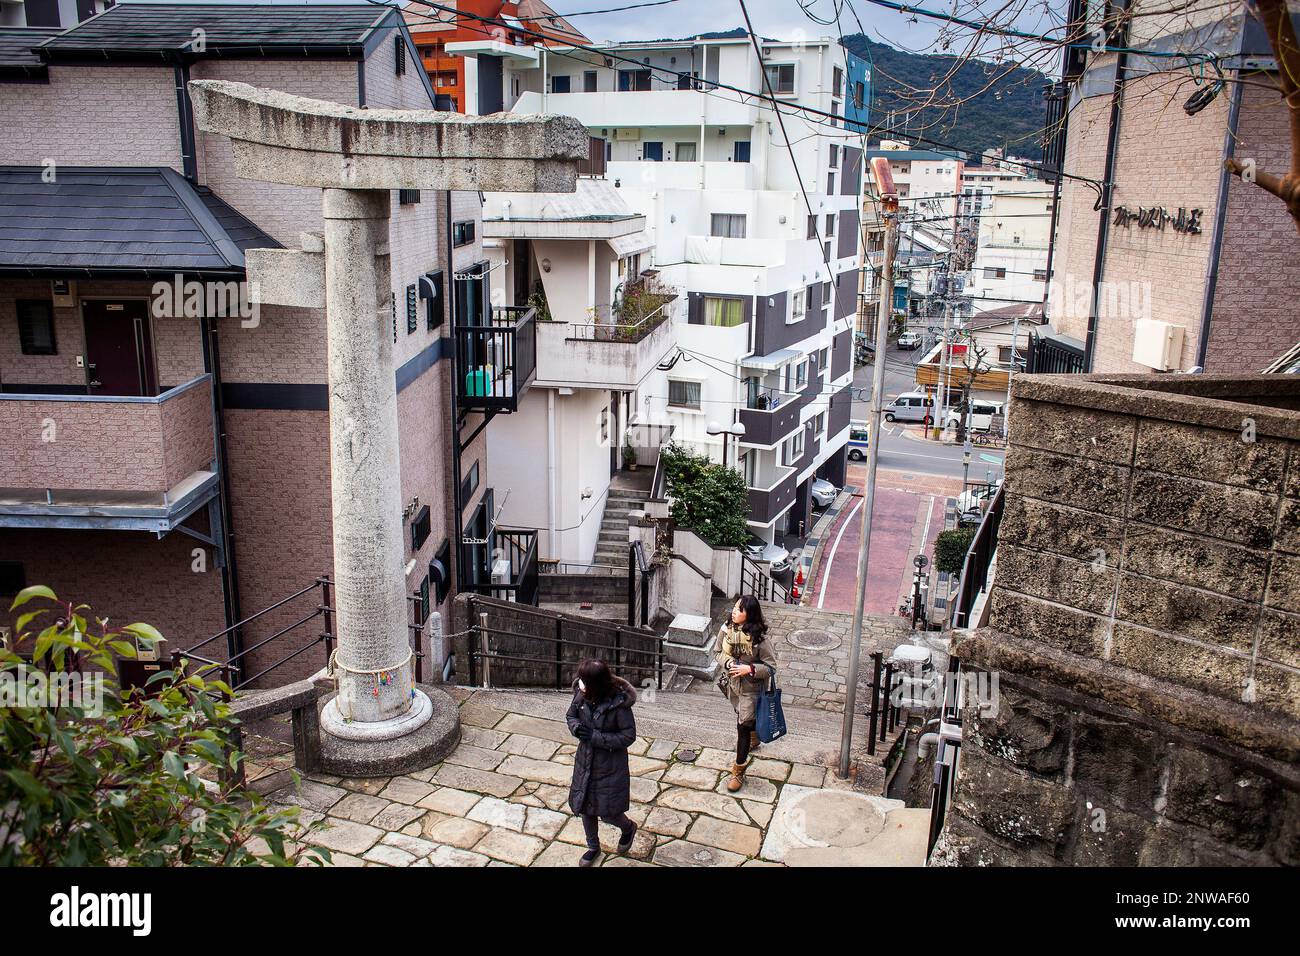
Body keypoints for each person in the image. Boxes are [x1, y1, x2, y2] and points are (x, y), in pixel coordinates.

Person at [565, 658, 638, 867]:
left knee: (608, 811)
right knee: (586, 807)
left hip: (610, 765)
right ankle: (593, 846)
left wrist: (595, 737)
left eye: (584, 681)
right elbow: (571, 715)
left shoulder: (619, 704)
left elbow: (628, 736)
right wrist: (576, 727)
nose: (580, 684)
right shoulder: (581, 694)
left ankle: (627, 827)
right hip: (585, 761)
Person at [716, 594, 777, 793]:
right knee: (741, 716)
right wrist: (728, 663)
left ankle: (738, 771)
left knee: (741, 727)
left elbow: (771, 667)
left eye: (739, 610)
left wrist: (749, 669)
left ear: (749, 614)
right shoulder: (727, 630)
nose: (734, 611)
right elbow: (718, 652)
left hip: (751, 691)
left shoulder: (760, 639)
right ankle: (754, 737)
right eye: (734, 608)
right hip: (732, 686)